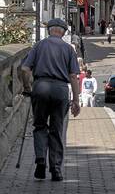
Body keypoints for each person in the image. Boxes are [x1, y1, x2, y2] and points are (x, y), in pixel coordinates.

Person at [19, 18, 82, 182]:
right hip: (60, 90)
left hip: (40, 87)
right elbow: (74, 76)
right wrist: (76, 101)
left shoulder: (39, 46)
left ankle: (40, 159)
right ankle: (55, 169)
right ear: (63, 32)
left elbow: (25, 69)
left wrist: (27, 88)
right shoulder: (69, 49)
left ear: (49, 31)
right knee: (57, 129)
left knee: (40, 126)